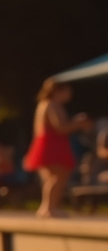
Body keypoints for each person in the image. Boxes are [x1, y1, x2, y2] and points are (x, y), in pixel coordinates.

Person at [24, 78, 90, 218]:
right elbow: (60, 128)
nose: (70, 94)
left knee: (52, 178)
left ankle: (47, 207)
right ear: (58, 91)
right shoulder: (52, 104)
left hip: (45, 142)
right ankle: (50, 208)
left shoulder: (43, 104)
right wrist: (78, 123)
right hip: (52, 144)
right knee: (58, 176)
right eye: (67, 90)